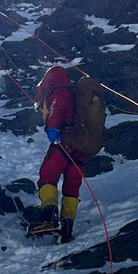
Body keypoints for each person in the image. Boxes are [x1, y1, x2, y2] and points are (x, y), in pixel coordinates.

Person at [32, 64, 86, 242]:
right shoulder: (74, 94)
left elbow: (55, 111)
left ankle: (48, 217)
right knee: (71, 188)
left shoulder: (59, 92)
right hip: (80, 148)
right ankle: (67, 228)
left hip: (65, 143)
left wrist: (52, 129)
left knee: (47, 176)